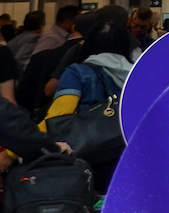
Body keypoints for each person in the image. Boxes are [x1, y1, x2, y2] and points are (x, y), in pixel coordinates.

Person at [41, 18, 138, 191]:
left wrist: (15, 149)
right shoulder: (138, 74)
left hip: (91, 160)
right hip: (131, 160)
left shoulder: (77, 73)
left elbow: (58, 117)